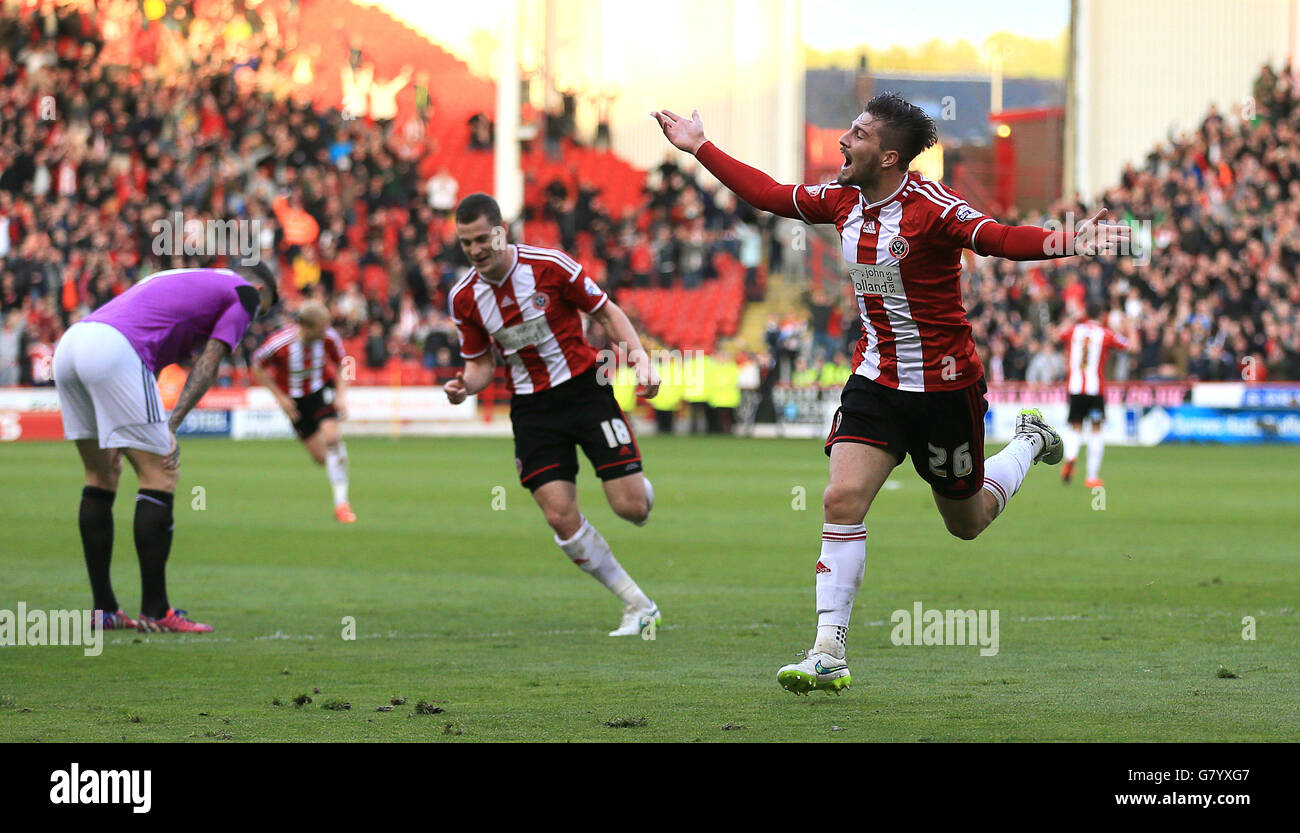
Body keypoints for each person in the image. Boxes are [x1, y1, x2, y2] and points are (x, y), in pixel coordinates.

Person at [655, 94, 1131, 694]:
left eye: (854, 134)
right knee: (840, 498)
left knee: (968, 521)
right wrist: (701, 147)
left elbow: (1001, 238)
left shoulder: (933, 208)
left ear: (887, 155)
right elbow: (771, 195)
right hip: (876, 381)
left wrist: (1070, 241)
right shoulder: (843, 200)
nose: (842, 142)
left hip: (944, 390)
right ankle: (829, 650)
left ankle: (1030, 442)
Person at [444, 194, 662, 637]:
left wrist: (638, 357)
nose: (475, 250)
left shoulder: (550, 266)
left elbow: (605, 311)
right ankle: (637, 605)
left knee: (632, 509)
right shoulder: (464, 297)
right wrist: (464, 385)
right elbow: (482, 365)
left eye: (482, 238)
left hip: (585, 391)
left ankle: (636, 486)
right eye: (466, 243)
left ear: (501, 230)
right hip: (531, 409)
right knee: (560, 516)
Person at [52, 265, 277, 633]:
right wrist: (170, 425)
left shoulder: (174, 277)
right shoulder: (245, 293)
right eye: (262, 310)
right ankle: (156, 611)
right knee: (161, 472)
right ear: (259, 288)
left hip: (73, 344)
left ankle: (104, 610)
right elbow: (209, 363)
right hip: (114, 351)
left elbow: (148, 349)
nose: (252, 318)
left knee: (101, 474)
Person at [251, 301, 355, 523]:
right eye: (321, 327)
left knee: (333, 437)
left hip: (320, 390)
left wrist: (341, 394)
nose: (325, 331)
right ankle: (338, 464)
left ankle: (342, 504)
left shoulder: (329, 338)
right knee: (321, 458)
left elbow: (341, 363)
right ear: (307, 327)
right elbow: (257, 365)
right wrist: (280, 398)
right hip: (296, 401)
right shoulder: (279, 343)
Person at [1056, 302, 1135, 488]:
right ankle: (1091, 477)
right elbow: (1129, 345)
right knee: (1096, 430)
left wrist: (1073, 317)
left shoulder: (1074, 330)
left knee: (1075, 427)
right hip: (1095, 390)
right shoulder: (1105, 334)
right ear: (1101, 314)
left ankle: (1070, 457)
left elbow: (1057, 334)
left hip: (1075, 388)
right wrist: (1130, 327)